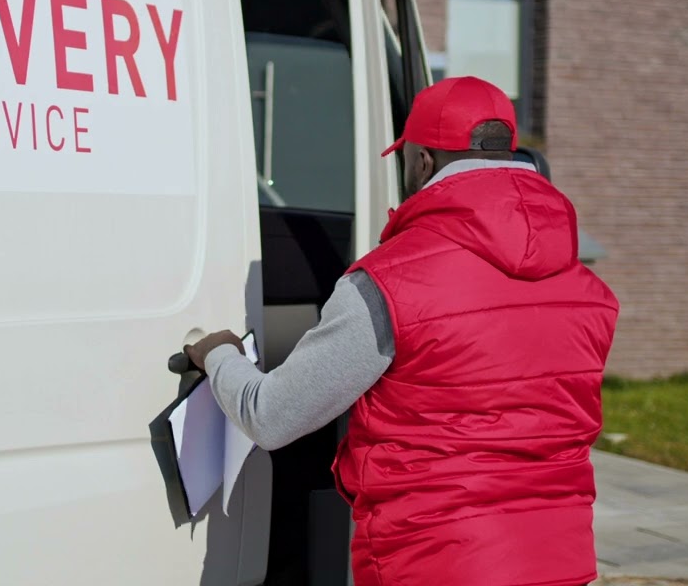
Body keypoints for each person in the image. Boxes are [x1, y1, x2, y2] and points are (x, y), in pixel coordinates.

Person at [184, 76, 619, 586]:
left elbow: (272, 417)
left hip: (435, 562)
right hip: (559, 560)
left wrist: (219, 354)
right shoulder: (589, 292)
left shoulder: (390, 282)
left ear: (422, 163)